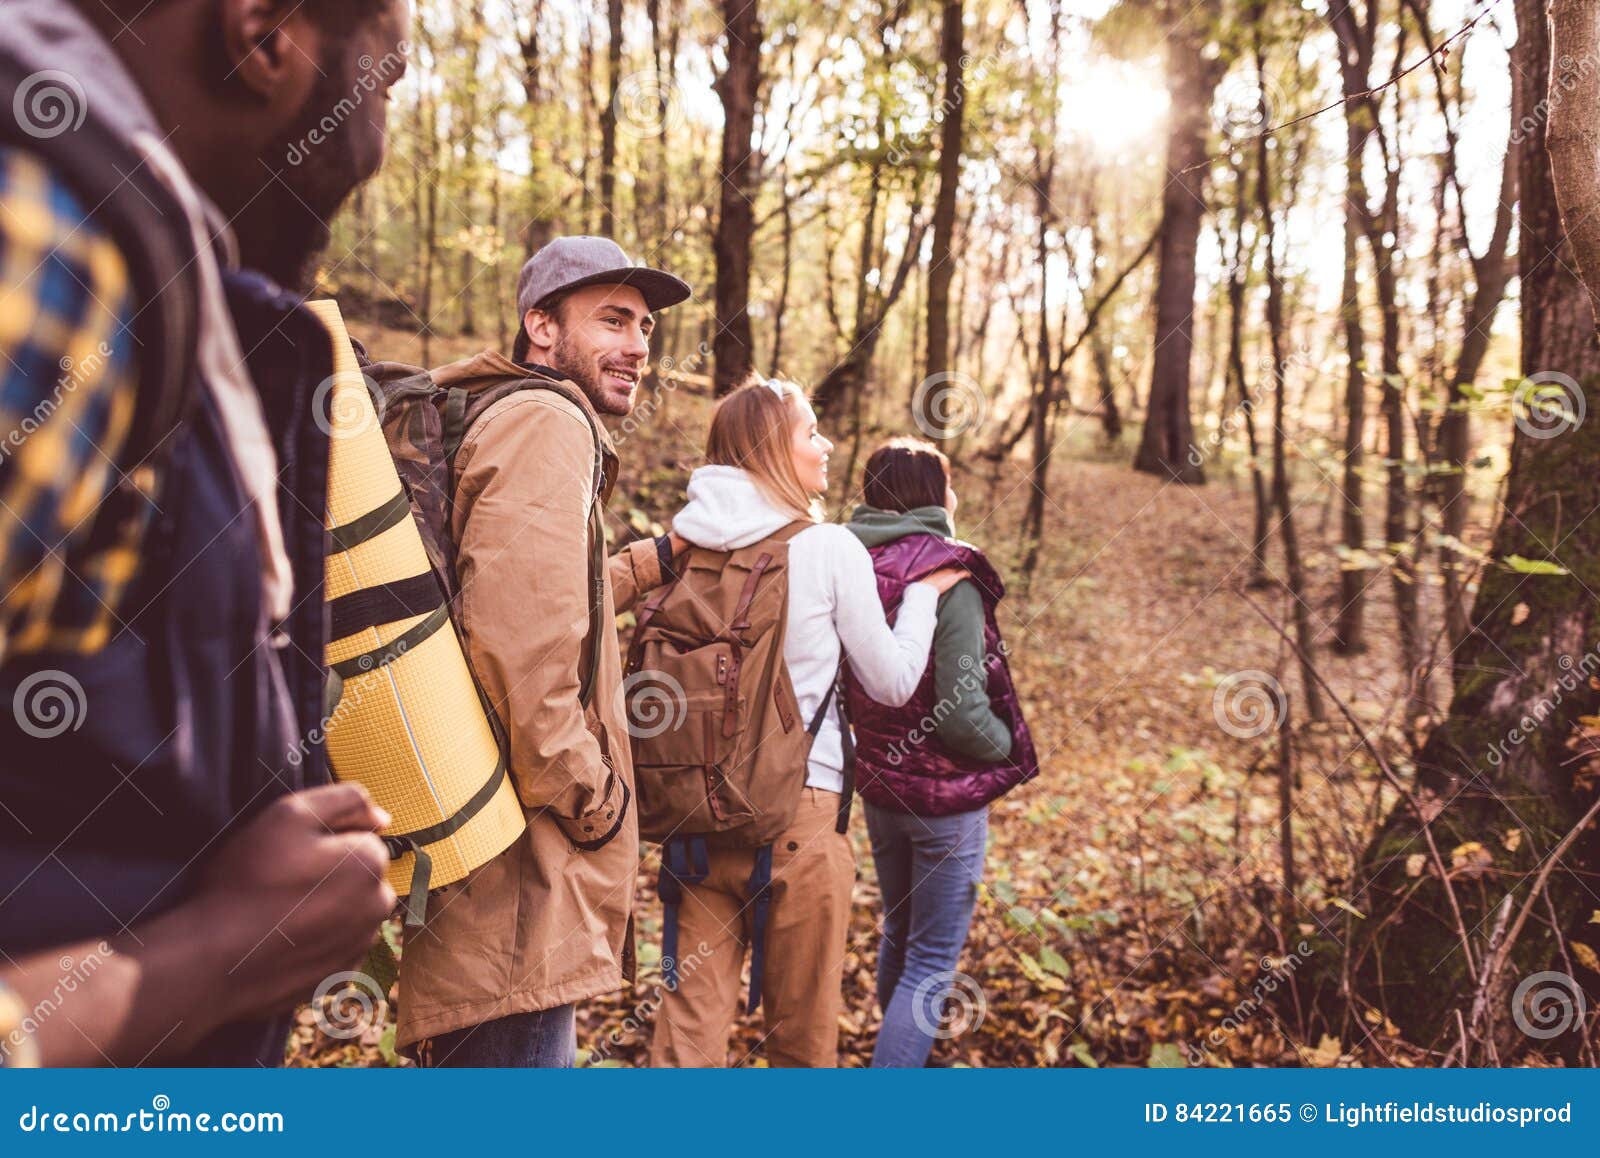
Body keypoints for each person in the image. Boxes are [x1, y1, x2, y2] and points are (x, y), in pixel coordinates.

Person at [0, 0, 411, 1065]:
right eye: (388, 75)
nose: (376, 140)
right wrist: (218, 951)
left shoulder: (133, 262)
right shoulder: (54, 251)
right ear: (265, 33)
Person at [396, 237, 691, 1068]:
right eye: (613, 321)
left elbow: (532, 591)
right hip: (520, 872)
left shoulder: (502, 413)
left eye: (645, 328)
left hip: (487, 848)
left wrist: (647, 563)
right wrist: (593, 796)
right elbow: (521, 652)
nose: (638, 345)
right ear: (542, 327)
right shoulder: (546, 421)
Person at [648, 380, 967, 1068]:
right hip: (799, 817)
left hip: (694, 817)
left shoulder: (683, 545)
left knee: (685, 1041)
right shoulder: (827, 548)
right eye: (810, 433)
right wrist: (921, 597)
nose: (826, 447)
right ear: (771, 451)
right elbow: (892, 682)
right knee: (801, 1044)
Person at [844, 438, 1039, 1067]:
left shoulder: (849, 562)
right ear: (933, 494)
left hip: (880, 787)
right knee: (930, 960)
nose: (955, 496)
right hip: (945, 801)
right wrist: (1003, 746)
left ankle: (900, 1056)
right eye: (949, 484)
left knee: (902, 934)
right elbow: (959, 712)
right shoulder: (949, 575)